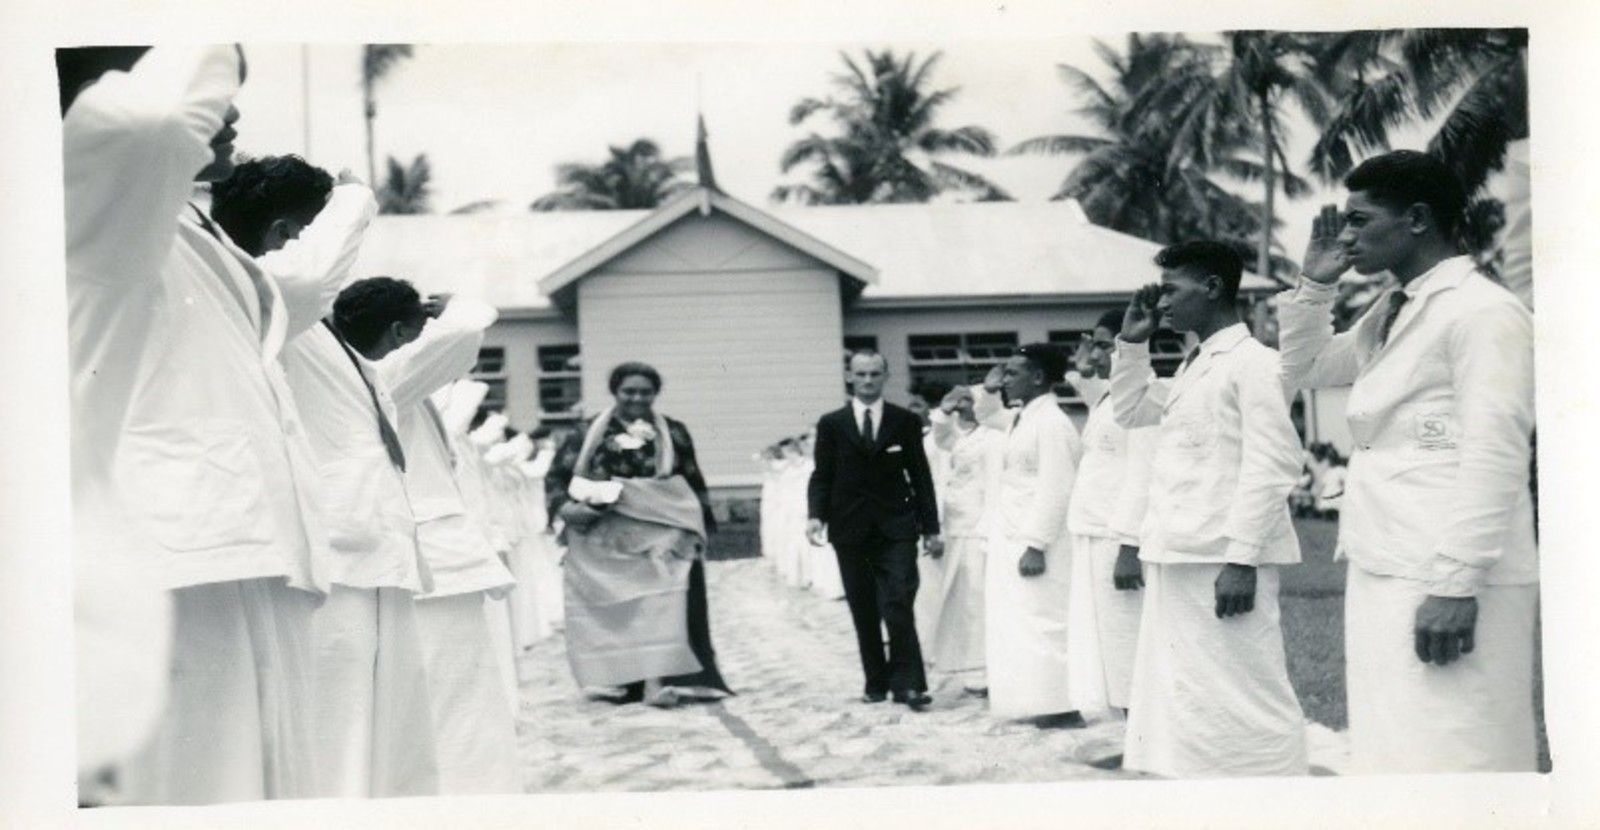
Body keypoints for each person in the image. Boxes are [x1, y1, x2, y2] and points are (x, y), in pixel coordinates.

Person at [63, 45, 375, 804]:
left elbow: (296, 289)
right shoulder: (90, 192)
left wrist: (355, 203)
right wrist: (212, 39)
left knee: (257, 786)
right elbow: (158, 118)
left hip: (232, 542)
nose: (230, 107)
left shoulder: (184, 227)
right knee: (195, 789)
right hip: (170, 550)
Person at [1280, 150, 1538, 773]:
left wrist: (1455, 585)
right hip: (1387, 559)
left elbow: (1495, 453)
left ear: (1418, 219)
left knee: (1460, 747)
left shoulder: (1483, 312)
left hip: (1450, 570)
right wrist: (1315, 288)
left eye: (1360, 220)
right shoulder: (1395, 308)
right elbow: (1309, 369)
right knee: (1396, 746)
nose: (1346, 236)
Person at [1111, 240, 1307, 778]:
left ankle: (1277, 796)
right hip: (1177, 553)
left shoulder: (1253, 363)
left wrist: (1241, 559)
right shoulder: (1193, 367)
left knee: (1249, 694)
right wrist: (1132, 347)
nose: (1162, 303)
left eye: (1171, 289)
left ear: (1214, 286)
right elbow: (1127, 411)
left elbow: (1273, 464)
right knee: (1191, 700)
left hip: (1223, 560)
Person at [326, 278, 522, 794]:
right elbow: (466, 332)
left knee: (448, 701)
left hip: (417, 560)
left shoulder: (353, 374)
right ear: (396, 334)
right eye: (417, 333)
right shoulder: (382, 375)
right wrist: (455, 305)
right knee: (456, 704)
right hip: (431, 564)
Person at [546, 362, 733, 707]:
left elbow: (691, 480)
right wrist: (567, 509)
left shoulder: (673, 432)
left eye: (645, 391)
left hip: (664, 532)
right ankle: (625, 680)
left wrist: (699, 526)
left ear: (655, 394)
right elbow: (557, 477)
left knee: (667, 605)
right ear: (615, 392)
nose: (637, 398)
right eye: (629, 391)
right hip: (609, 535)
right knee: (623, 607)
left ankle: (669, 678)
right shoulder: (589, 432)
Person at [807, 351, 942, 711]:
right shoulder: (832, 424)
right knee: (863, 607)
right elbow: (822, 475)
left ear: (885, 376)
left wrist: (931, 527)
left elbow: (921, 477)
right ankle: (876, 681)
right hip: (848, 528)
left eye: (875, 374)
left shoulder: (904, 421)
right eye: (861, 374)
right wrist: (815, 516)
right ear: (849, 377)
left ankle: (909, 685)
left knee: (898, 601)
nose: (868, 381)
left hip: (896, 527)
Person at [985, 344, 1085, 728]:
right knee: (1021, 623)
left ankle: (1061, 707)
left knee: (1046, 622)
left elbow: (1057, 487)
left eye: (1013, 373)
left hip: (1041, 541)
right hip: (1013, 533)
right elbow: (984, 413)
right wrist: (993, 387)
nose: (1005, 379)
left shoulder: (1053, 422)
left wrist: (1036, 544)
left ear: (1039, 377)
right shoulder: (1021, 417)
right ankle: (1036, 703)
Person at [1064, 310, 1155, 717]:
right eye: (1095, 344)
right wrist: (1089, 356)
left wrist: (1128, 545)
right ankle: (1128, 726)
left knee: (1129, 639)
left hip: (1119, 536)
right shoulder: (1107, 397)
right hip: (1094, 532)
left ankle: (1141, 727)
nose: (1096, 355)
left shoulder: (1143, 396)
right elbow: (1080, 376)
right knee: (1105, 641)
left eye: (1105, 345)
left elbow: (1143, 474)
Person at [922, 383, 1005, 696]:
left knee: (977, 601)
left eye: (970, 400)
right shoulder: (966, 435)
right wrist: (943, 410)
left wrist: (986, 531)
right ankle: (970, 667)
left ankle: (983, 672)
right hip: (957, 528)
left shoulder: (992, 438)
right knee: (962, 602)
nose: (963, 406)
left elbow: (993, 488)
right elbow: (941, 438)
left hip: (976, 530)